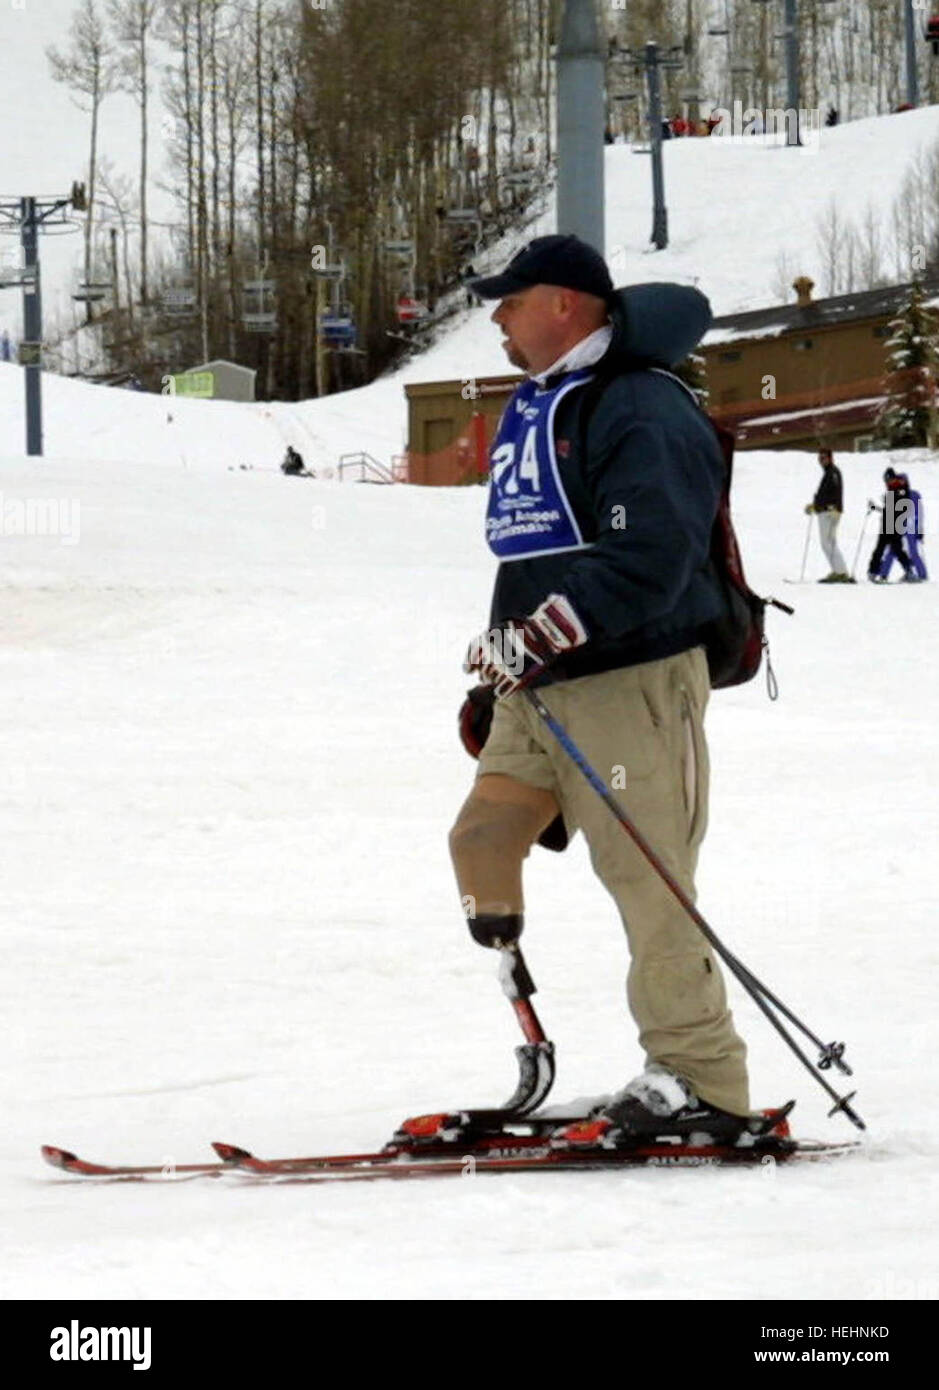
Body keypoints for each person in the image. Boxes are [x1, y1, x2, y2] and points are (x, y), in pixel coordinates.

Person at [452, 234, 750, 1142]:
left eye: (510, 300)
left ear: (564, 305)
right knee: (483, 841)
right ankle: (532, 1046)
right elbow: (537, 551)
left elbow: (652, 558)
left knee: (648, 883)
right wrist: (505, 660)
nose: (496, 316)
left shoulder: (642, 407)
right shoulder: (545, 403)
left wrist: (545, 630)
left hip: (633, 679)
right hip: (542, 686)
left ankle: (701, 1082)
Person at [805, 447, 853, 582]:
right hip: (825, 510)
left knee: (828, 542)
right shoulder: (828, 473)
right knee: (828, 542)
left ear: (830, 458)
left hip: (829, 512)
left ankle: (841, 572)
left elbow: (835, 492)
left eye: (824, 458)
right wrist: (815, 505)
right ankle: (838, 570)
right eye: (819, 458)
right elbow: (824, 494)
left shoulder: (833, 473)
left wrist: (836, 508)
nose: (821, 461)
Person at [877, 472, 927, 582]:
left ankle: (922, 574)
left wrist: (920, 530)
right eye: (899, 481)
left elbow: (920, 513)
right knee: (893, 550)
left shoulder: (913, 495)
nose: (900, 483)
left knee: (913, 551)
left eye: (902, 481)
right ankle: (884, 574)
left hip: (911, 526)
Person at [868, 468, 913, 582]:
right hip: (887, 523)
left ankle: (909, 570)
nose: (887, 483)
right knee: (880, 548)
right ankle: (873, 571)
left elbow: (900, 503)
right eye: (886, 481)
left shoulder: (901, 487)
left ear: (893, 478)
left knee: (896, 548)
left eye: (888, 480)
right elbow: (887, 509)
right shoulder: (891, 489)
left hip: (896, 524)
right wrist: (874, 507)